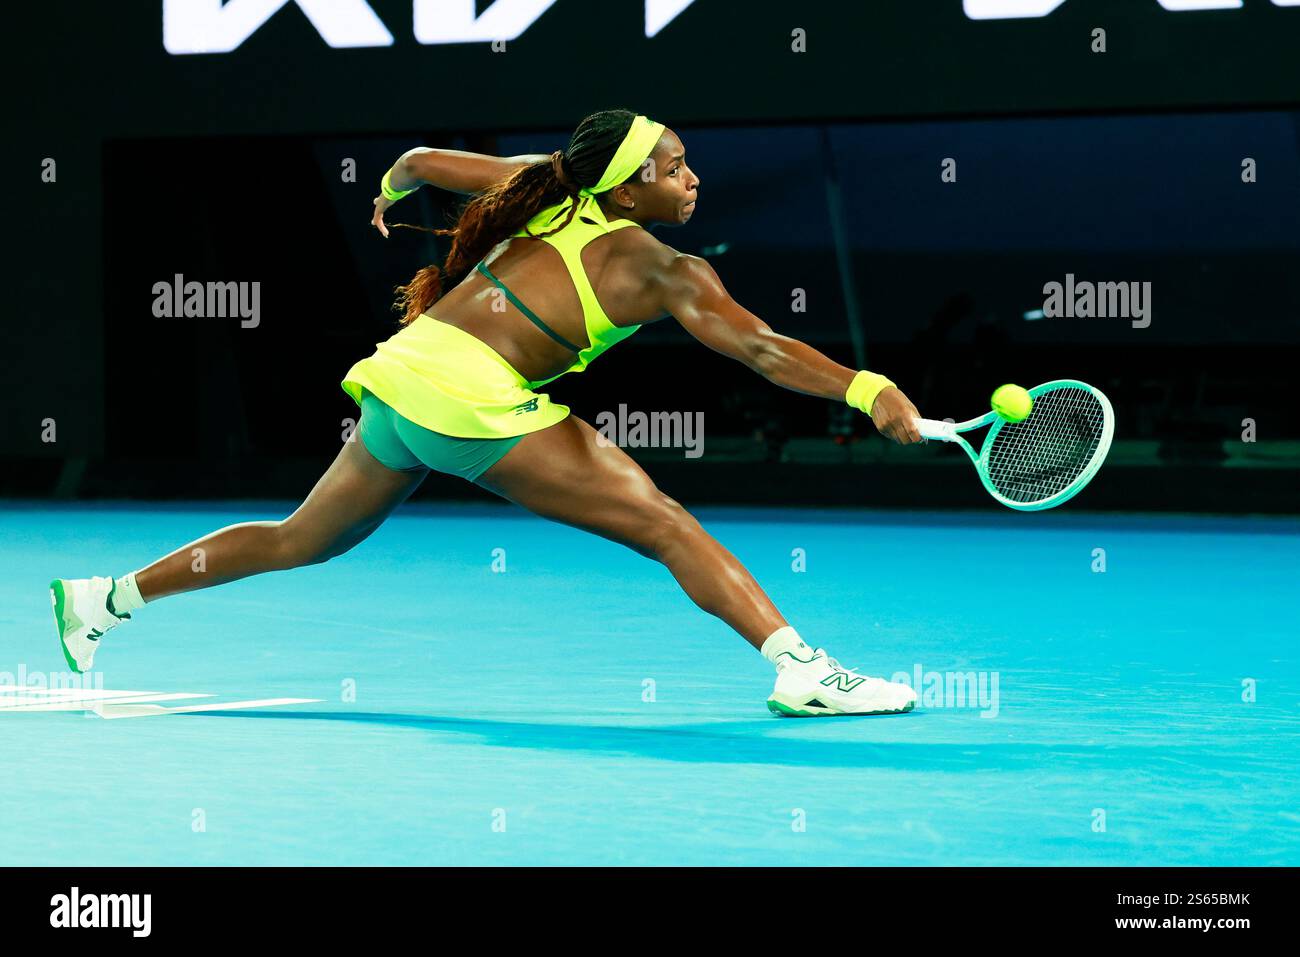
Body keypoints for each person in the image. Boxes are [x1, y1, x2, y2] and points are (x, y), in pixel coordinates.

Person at [51, 109, 924, 717]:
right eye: (672, 169)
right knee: (665, 525)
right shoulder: (668, 270)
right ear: (627, 193)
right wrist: (866, 389)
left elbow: (425, 160)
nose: (692, 179)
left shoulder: (543, 183)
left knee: (299, 538)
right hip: (467, 398)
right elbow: (764, 349)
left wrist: (392, 188)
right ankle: (800, 671)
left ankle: (105, 597)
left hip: (402, 380)